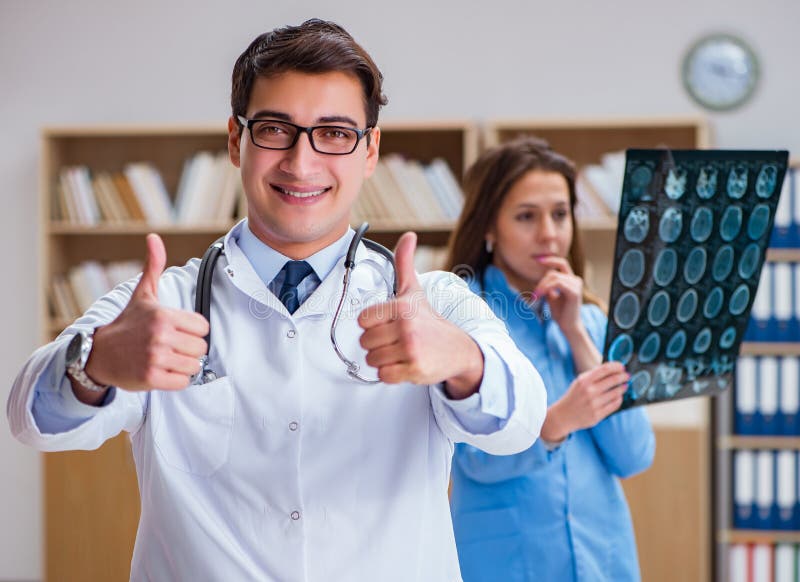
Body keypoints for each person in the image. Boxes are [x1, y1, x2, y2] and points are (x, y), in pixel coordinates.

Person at [7, 20, 548, 582]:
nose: (301, 161)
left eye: (334, 133)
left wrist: (462, 360)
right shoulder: (160, 306)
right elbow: (30, 418)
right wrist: (94, 363)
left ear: (370, 150)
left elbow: (522, 421)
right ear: (235, 141)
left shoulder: (432, 302)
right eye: (274, 129)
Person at [445, 137, 656, 582]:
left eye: (560, 214)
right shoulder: (461, 316)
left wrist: (576, 334)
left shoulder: (592, 319)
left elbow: (634, 454)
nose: (549, 233)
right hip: (507, 564)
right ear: (488, 226)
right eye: (527, 216)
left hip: (604, 561)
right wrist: (554, 423)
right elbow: (471, 459)